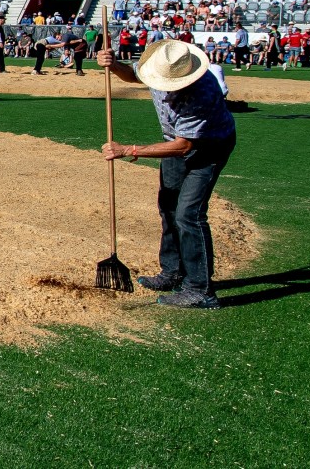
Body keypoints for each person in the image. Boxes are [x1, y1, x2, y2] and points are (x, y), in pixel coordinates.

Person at [98, 38, 236, 309]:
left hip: (209, 146)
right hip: (174, 140)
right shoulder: (157, 65)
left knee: (189, 215)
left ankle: (201, 290)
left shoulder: (202, 91)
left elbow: (184, 146)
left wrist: (129, 149)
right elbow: (132, 74)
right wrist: (114, 65)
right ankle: (173, 272)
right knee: (168, 206)